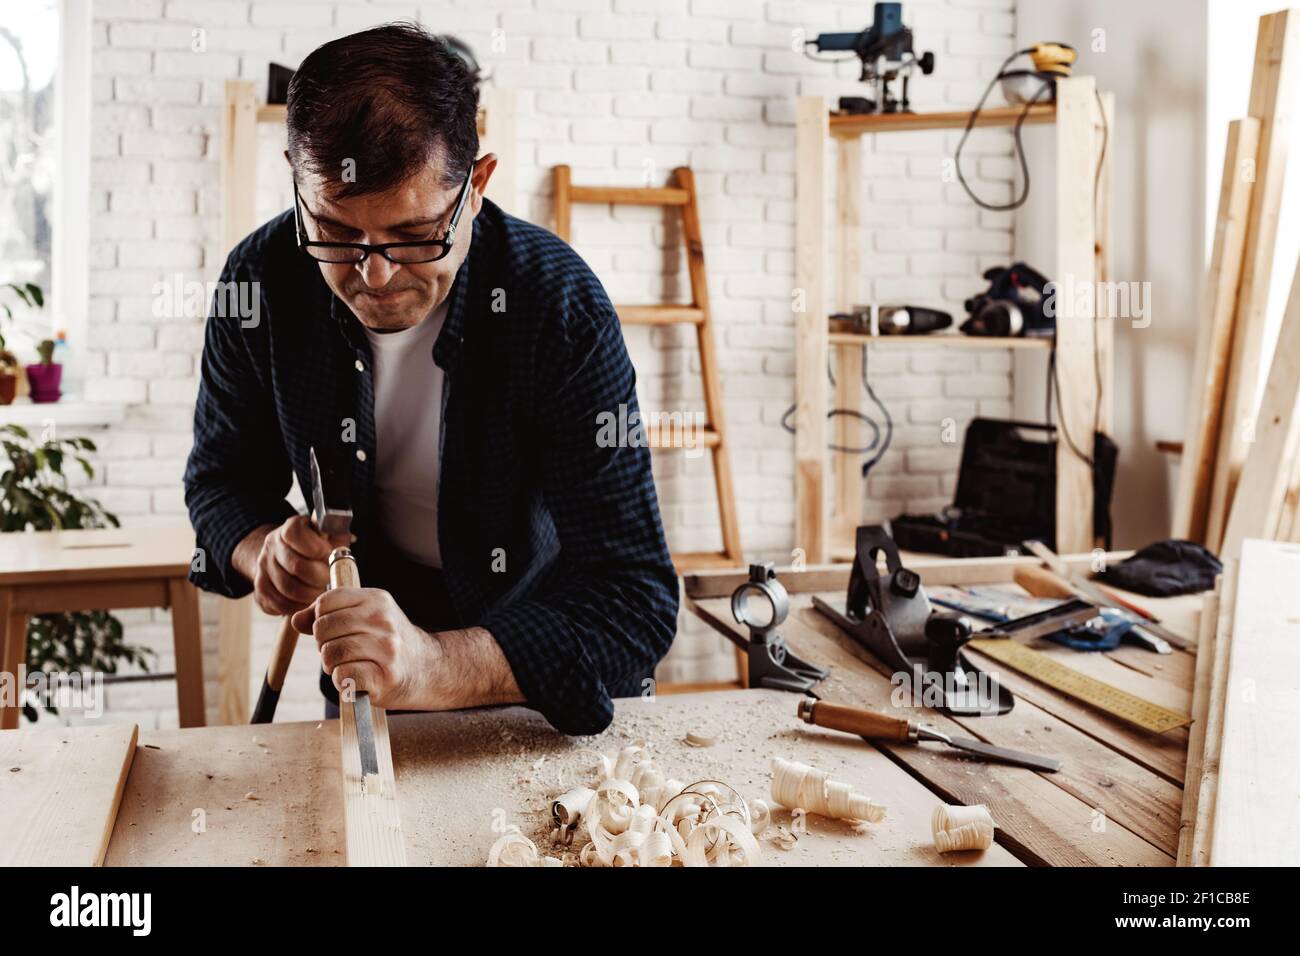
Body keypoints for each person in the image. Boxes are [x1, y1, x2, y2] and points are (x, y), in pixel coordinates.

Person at [183, 23, 678, 735]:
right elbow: (219, 481)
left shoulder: (555, 304)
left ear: (476, 185)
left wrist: (435, 665)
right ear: (297, 178)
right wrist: (263, 549)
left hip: (536, 670)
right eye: (337, 232)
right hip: (367, 665)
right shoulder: (259, 280)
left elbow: (633, 602)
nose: (374, 276)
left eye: (415, 237)